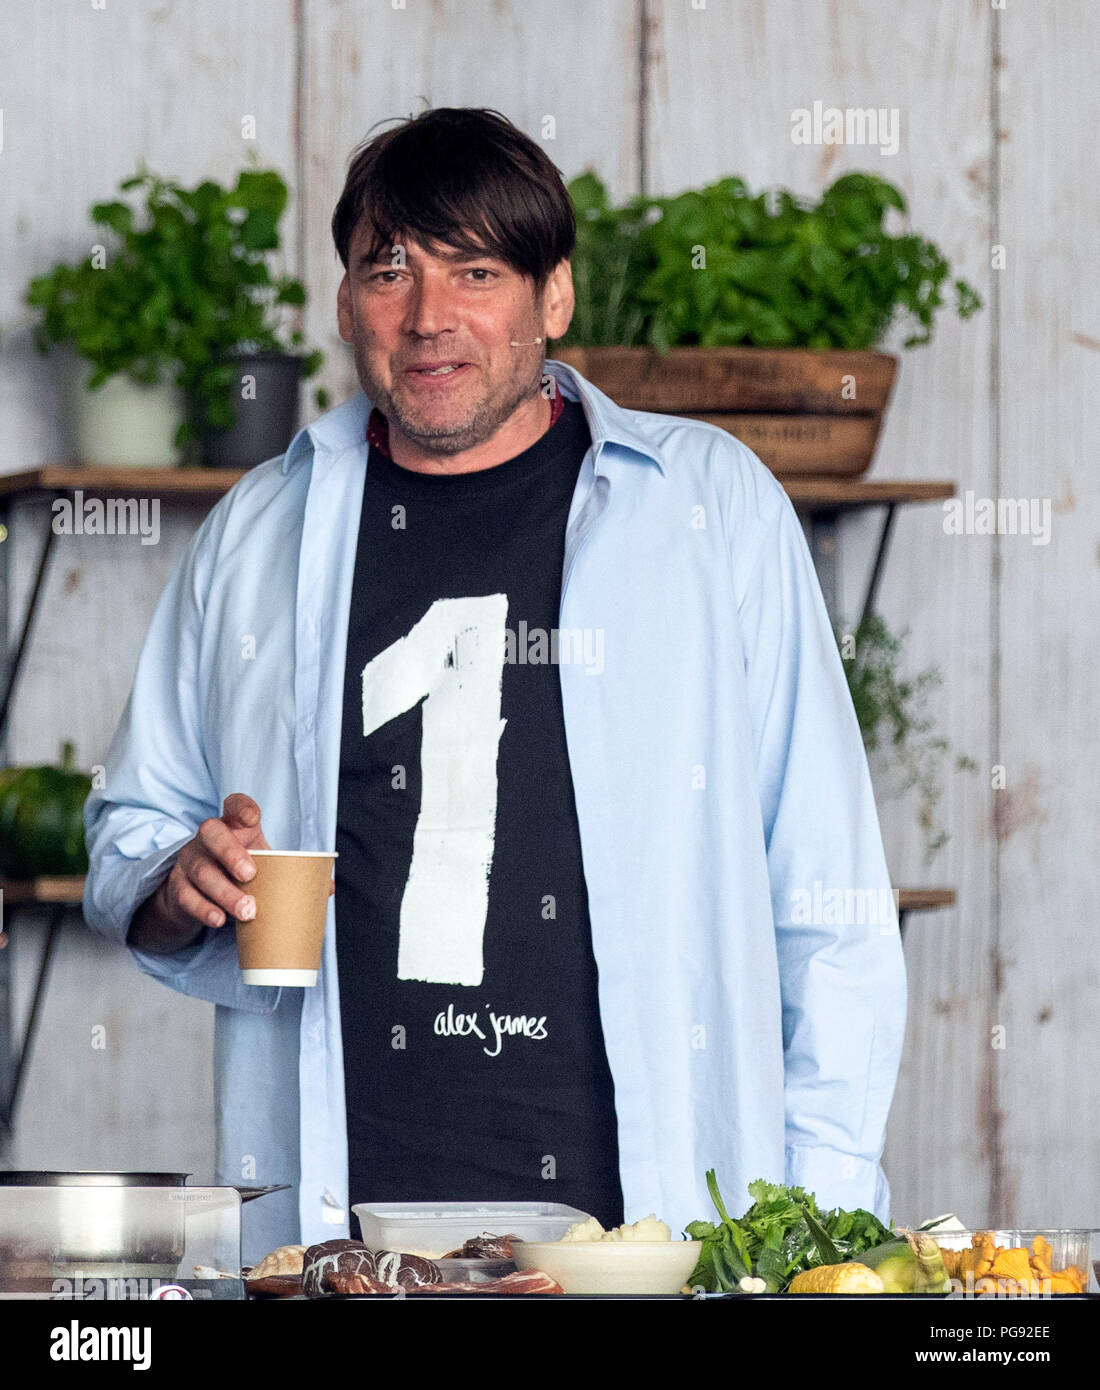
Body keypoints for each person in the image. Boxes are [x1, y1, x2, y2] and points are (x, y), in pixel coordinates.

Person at [84, 106, 906, 1262]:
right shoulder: (257, 533)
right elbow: (131, 823)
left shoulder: (703, 509)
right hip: (340, 1242)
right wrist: (179, 881)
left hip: (648, 1246)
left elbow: (826, 900)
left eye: (475, 270)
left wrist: (816, 1225)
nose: (428, 317)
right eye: (389, 270)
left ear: (552, 299)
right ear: (342, 303)